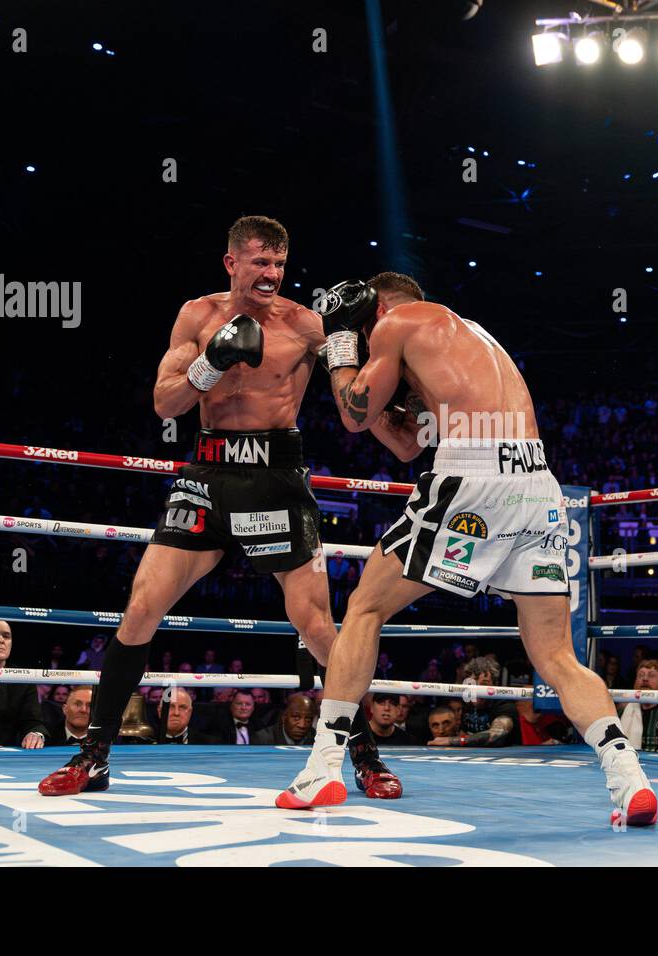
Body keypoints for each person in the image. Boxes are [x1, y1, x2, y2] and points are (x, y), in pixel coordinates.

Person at [38, 217, 400, 799]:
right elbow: (164, 403)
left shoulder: (307, 325)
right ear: (231, 262)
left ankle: (363, 755)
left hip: (276, 477)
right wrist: (212, 363)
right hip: (207, 474)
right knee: (140, 607)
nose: (271, 274)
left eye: (280, 264)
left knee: (316, 626)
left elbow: (355, 408)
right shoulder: (196, 316)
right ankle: (94, 758)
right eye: (260, 262)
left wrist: (347, 337)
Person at [278, 273, 656, 825]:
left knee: (365, 607)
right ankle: (630, 782)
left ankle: (322, 769)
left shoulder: (397, 322)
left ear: (378, 307)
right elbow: (406, 444)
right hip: (538, 484)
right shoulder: (471, 335)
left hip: (474, 481)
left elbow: (353, 415)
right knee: (555, 656)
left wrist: (338, 343)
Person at [251, 694, 317, 745]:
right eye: (296, 717)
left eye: (308, 719)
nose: (302, 725)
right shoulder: (262, 739)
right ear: (284, 717)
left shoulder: (318, 738)